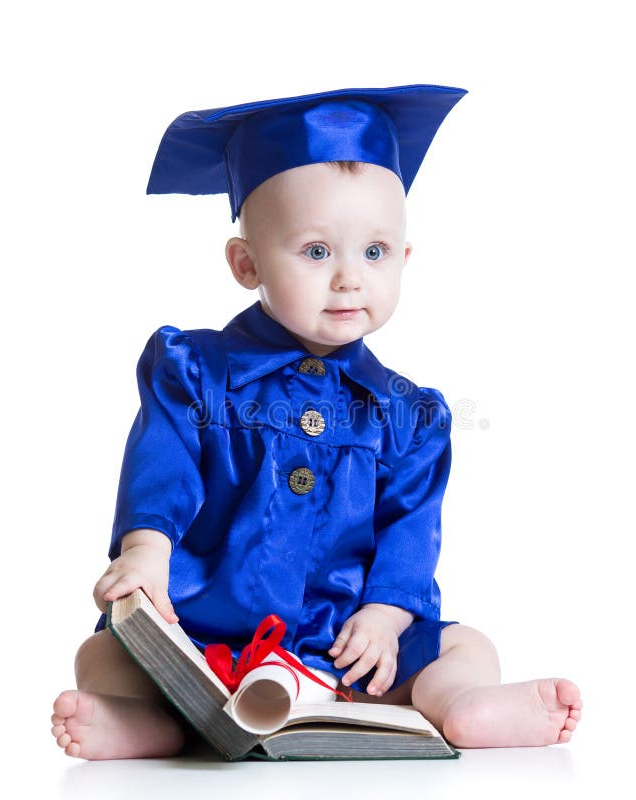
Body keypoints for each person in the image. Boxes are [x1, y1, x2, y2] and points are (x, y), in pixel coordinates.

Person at [51, 85, 582, 760]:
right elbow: (164, 463)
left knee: (466, 646)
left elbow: (411, 529)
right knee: (105, 649)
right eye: (315, 252)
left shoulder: (408, 415)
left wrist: (387, 616)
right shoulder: (195, 374)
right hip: (206, 625)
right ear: (247, 264)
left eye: (375, 252)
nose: (349, 280)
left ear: (405, 260)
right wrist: (146, 551)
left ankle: (458, 706)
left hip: (348, 646)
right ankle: (147, 719)